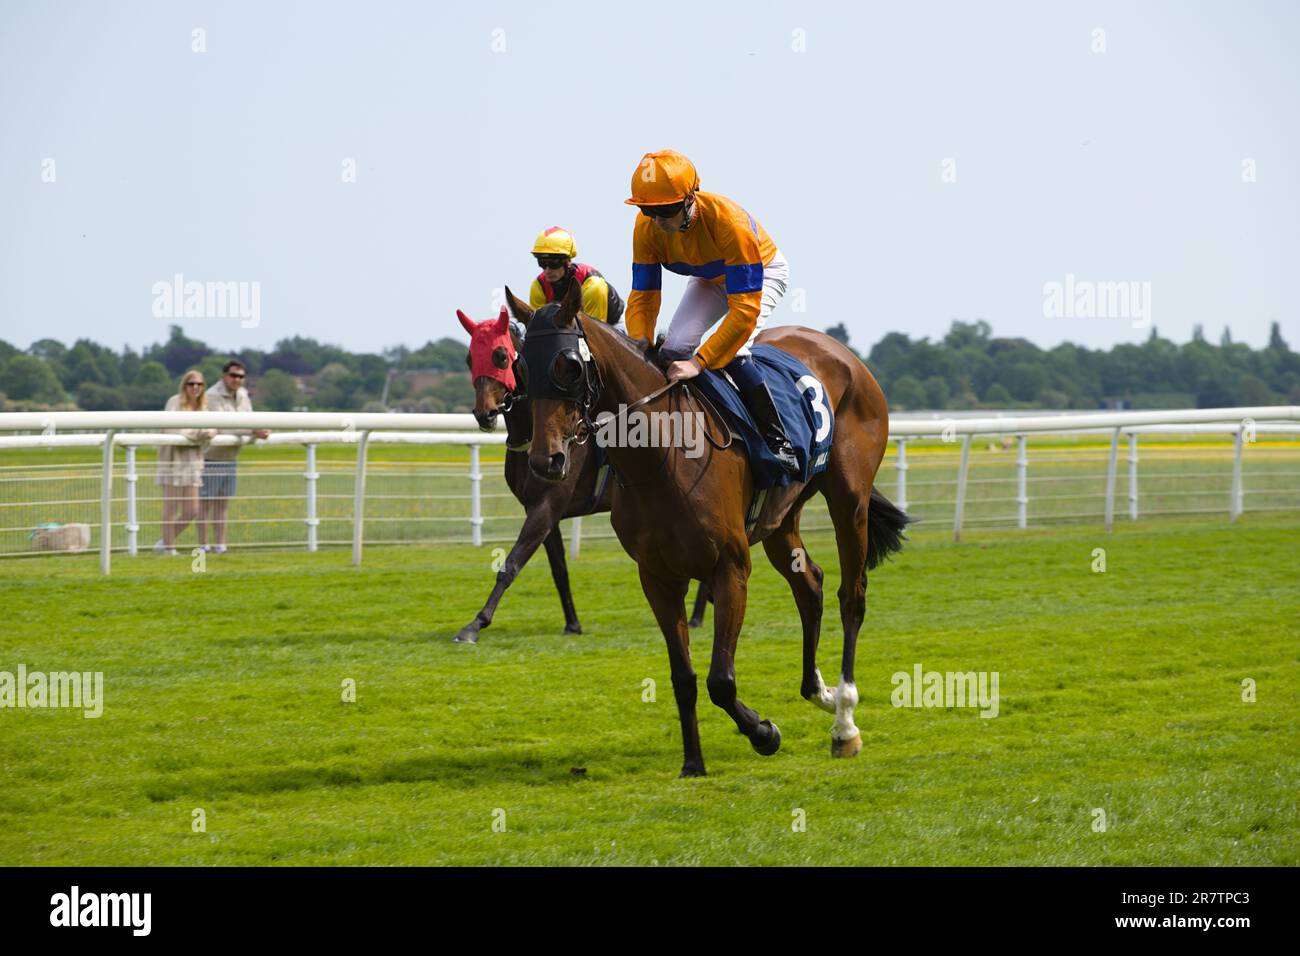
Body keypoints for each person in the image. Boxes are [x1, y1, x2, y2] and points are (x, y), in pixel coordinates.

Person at [624, 149, 798, 474]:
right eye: (648, 211)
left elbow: (744, 310)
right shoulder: (646, 229)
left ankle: (778, 440)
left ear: (691, 198)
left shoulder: (729, 222)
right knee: (673, 348)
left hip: (761, 272)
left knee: (734, 350)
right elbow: (644, 297)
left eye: (667, 210)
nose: (658, 221)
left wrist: (699, 362)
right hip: (708, 276)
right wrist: (640, 345)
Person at [199, 360, 270, 553]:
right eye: (233, 375)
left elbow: (249, 419)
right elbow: (225, 425)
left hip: (230, 457)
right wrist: (254, 430)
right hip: (211, 458)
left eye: (240, 376)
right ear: (224, 376)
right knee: (205, 504)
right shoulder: (212, 396)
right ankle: (203, 545)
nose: (236, 379)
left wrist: (257, 429)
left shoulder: (243, 395)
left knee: (222, 503)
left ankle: (221, 545)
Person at [153, 370, 216, 555]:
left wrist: (205, 434)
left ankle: (164, 541)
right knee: (171, 507)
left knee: (192, 510)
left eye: (199, 384)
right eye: (191, 384)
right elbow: (175, 430)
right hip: (173, 461)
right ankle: (169, 548)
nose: (195, 387)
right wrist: (200, 434)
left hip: (192, 463)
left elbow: (211, 429)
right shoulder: (174, 402)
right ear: (184, 385)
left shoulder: (204, 406)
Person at [528, 226, 626, 329]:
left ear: (568, 261)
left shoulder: (593, 286)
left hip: (611, 327)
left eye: (554, 263)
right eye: (542, 263)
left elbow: (595, 333)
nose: (547, 270)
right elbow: (536, 326)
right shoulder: (539, 286)